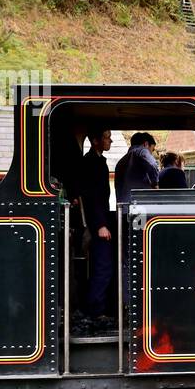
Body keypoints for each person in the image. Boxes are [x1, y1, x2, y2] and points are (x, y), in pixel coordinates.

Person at [79, 127, 114, 320]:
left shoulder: (96, 161)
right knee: (103, 266)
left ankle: (96, 308)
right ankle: (95, 311)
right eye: (107, 137)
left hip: (98, 220)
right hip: (97, 223)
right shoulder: (92, 163)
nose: (110, 141)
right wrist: (100, 224)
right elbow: (93, 196)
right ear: (95, 140)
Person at [115, 131, 159, 202]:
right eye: (152, 149)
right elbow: (152, 164)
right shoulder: (142, 150)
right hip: (140, 207)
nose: (151, 153)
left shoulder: (121, 162)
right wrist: (155, 184)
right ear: (146, 144)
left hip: (123, 208)